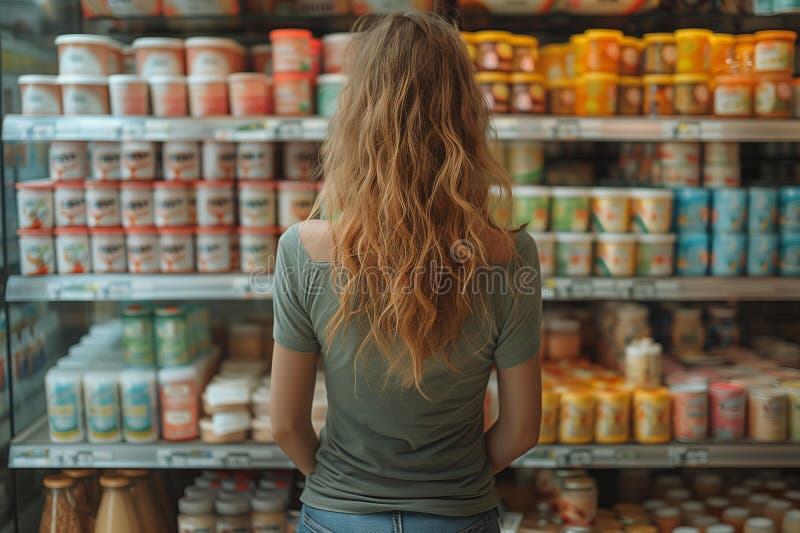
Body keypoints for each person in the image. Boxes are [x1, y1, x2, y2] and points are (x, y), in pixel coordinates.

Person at [270, 12, 543, 533]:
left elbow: (285, 423)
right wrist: (455, 482)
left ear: (354, 113)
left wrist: (331, 482)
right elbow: (523, 427)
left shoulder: (301, 251)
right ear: (467, 115)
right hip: (458, 514)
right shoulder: (509, 256)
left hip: (337, 512)